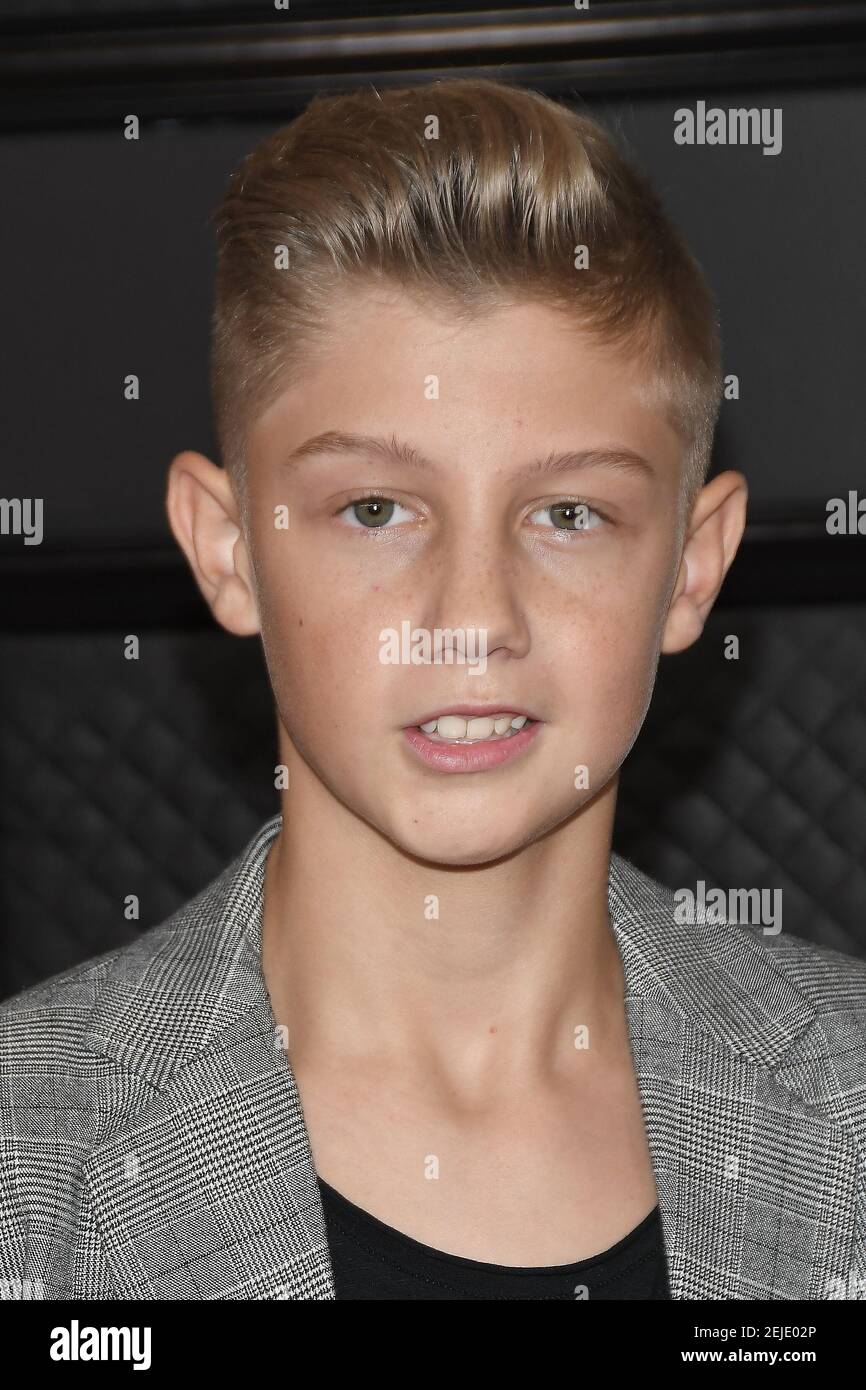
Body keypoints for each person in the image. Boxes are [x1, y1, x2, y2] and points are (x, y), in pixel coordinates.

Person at [1, 77, 864, 1302]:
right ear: (225, 545)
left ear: (691, 566)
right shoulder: (24, 1158)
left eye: (567, 514)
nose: (471, 618)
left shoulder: (846, 1104)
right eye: (374, 510)